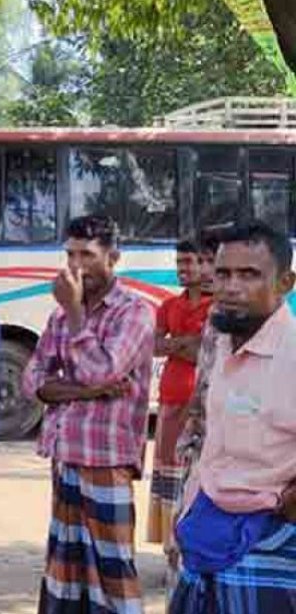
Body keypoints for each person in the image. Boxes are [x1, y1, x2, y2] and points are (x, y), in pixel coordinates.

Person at [21, 215, 154, 614]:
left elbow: (102, 370)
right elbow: (33, 381)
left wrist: (77, 316)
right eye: (70, 254)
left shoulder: (134, 312)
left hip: (107, 459)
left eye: (87, 255)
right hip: (65, 457)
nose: (76, 266)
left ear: (113, 257)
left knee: (112, 570)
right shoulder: (59, 317)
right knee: (66, 565)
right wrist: (89, 390)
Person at [169, 221, 296, 613]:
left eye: (249, 275)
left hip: (268, 545)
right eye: (222, 273)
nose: (230, 288)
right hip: (206, 535)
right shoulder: (226, 341)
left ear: (285, 283)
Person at [147, 239, 213, 549]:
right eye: (179, 263)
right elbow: (154, 346)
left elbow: (206, 353)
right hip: (169, 400)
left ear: (206, 264)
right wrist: (187, 344)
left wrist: (177, 344)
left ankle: (188, 545)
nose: (183, 269)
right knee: (167, 472)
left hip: (198, 404)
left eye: (190, 262)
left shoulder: (216, 308)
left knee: (193, 475)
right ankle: (170, 546)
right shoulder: (168, 306)